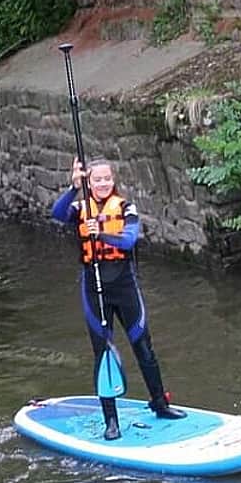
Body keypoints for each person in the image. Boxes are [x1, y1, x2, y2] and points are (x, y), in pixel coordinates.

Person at [51, 158, 186, 441]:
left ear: (113, 181)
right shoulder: (79, 208)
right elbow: (57, 213)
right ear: (89, 182)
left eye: (106, 179)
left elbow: (128, 241)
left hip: (124, 286)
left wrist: (98, 232)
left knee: (143, 347)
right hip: (94, 287)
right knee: (103, 353)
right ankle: (111, 421)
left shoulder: (126, 207)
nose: (102, 184)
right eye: (96, 180)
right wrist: (73, 188)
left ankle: (160, 404)